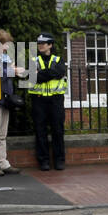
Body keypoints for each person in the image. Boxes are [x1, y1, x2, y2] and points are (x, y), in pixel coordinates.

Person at [0, 29, 26, 176]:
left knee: (2, 133)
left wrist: (12, 69)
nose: (8, 47)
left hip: (4, 98)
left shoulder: (3, 58)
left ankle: (3, 162)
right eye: (6, 44)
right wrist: (12, 70)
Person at [28, 33, 68, 170]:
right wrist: (49, 73)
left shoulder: (58, 60)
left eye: (43, 43)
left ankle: (59, 160)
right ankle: (43, 161)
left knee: (58, 130)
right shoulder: (33, 60)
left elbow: (60, 72)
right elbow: (34, 78)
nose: (40, 46)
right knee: (40, 131)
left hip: (56, 100)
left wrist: (42, 74)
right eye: (39, 43)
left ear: (50, 45)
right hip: (39, 100)